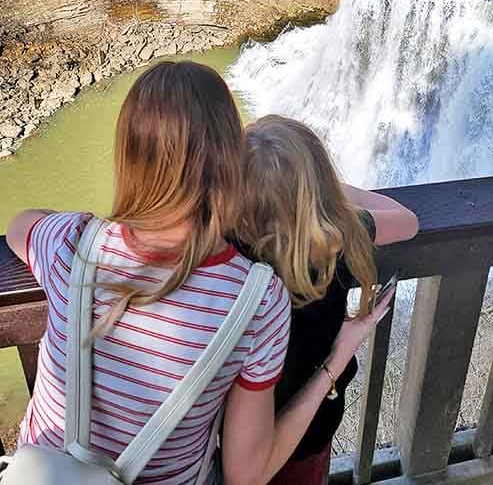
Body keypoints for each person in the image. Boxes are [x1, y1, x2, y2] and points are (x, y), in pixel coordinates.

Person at [6, 62, 396, 485]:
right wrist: (336, 359)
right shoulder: (257, 298)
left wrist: (91, 223)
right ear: (232, 163)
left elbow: (19, 225)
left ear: (126, 154)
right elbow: (246, 475)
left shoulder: (70, 242)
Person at [239, 115, 419, 485]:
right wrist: (326, 191)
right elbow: (406, 220)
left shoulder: (225, 245)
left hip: (230, 437)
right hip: (308, 433)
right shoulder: (336, 238)